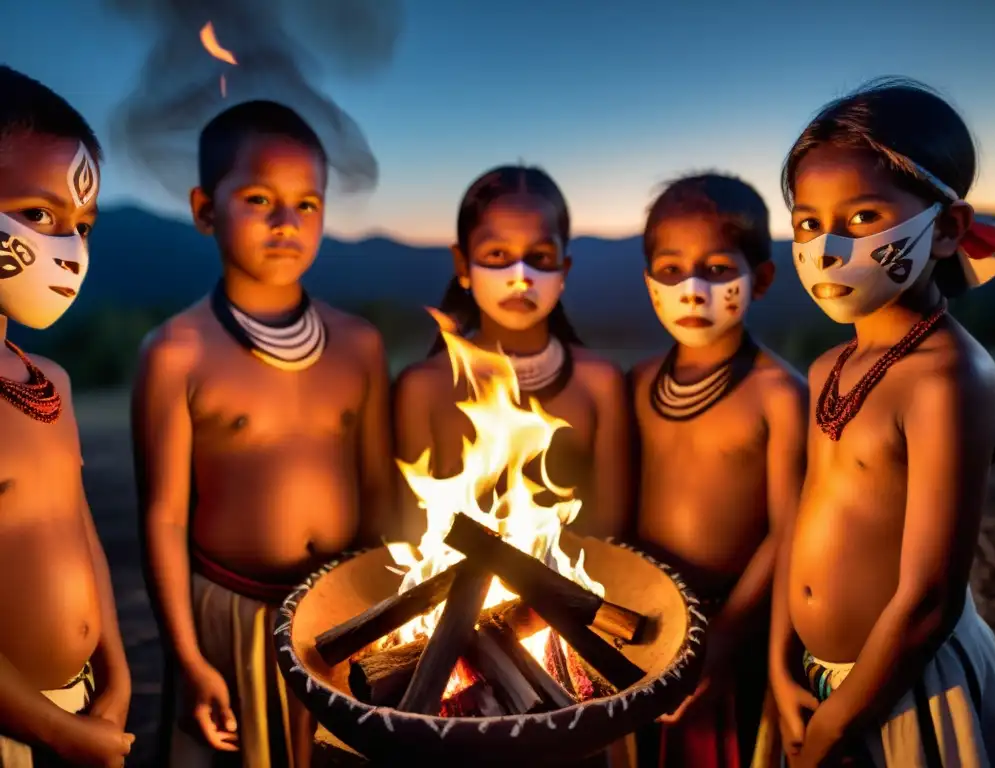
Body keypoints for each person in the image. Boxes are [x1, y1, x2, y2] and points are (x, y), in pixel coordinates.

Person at [132, 100, 394, 768]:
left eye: (308, 204)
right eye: (259, 199)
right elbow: (163, 518)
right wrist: (189, 658)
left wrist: (379, 616)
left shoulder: (359, 344)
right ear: (203, 209)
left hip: (340, 615)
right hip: (229, 611)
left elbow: (377, 491)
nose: (287, 223)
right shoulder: (177, 352)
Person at [770, 77, 995, 767]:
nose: (824, 249)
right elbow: (802, 518)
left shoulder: (948, 381)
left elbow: (928, 603)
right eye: (807, 222)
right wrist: (778, 663)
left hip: (906, 693)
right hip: (814, 680)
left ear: (946, 229)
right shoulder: (827, 369)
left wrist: (835, 727)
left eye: (861, 219)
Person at [628, 174, 807, 767]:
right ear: (648, 279)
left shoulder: (780, 394)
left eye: (718, 269)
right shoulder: (636, 383)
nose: (693, 291)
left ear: (763, 278)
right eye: (672, 270)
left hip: (736, 620)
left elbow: (790, 531)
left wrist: (724, 637)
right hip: (644, 621)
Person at [0, 66, 134, 767]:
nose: (70, 250)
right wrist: (57, 732)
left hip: (85, 704)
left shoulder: (46, 379)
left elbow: (80, 529)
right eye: (39, 215)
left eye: (82, 224)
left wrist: (116, 673)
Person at [393, 164, 632, 542]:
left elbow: (612, 533)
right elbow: (413, 536)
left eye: (539, 257)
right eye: (497, 254)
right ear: (463, 265)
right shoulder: (423, 388)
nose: (520, 276)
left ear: (564, 269)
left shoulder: (600, 383)